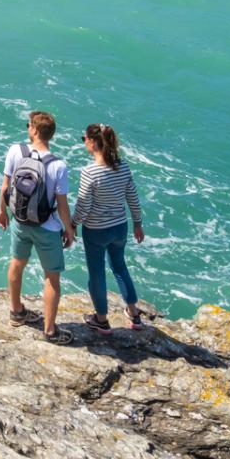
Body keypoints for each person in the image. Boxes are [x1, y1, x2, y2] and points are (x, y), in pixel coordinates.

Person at [0, 110, 76, 344]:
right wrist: (69, 229)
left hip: (20, 221)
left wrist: (2, 211)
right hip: (47, 227)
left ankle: (16, 312)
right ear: (50, 135)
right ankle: (50, 330)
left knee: (17, 263)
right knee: (52, 277)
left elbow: (5, 186)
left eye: (28, 125)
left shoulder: (16, 151)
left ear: (33, 130)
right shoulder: (58, 165)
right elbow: (62, 205)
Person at [72, 124, 145, 334]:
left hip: (96, 230)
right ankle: (134, 314)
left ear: (93, 142)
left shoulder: (90, 172)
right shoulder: (123, 167)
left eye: (84, 138)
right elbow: (132, 197)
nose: (84, 141)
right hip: (120, 227)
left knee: (97, 273)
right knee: (120, 267)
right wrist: (138, 224)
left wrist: (73, 223)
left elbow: (83, 205)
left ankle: (101, 320)